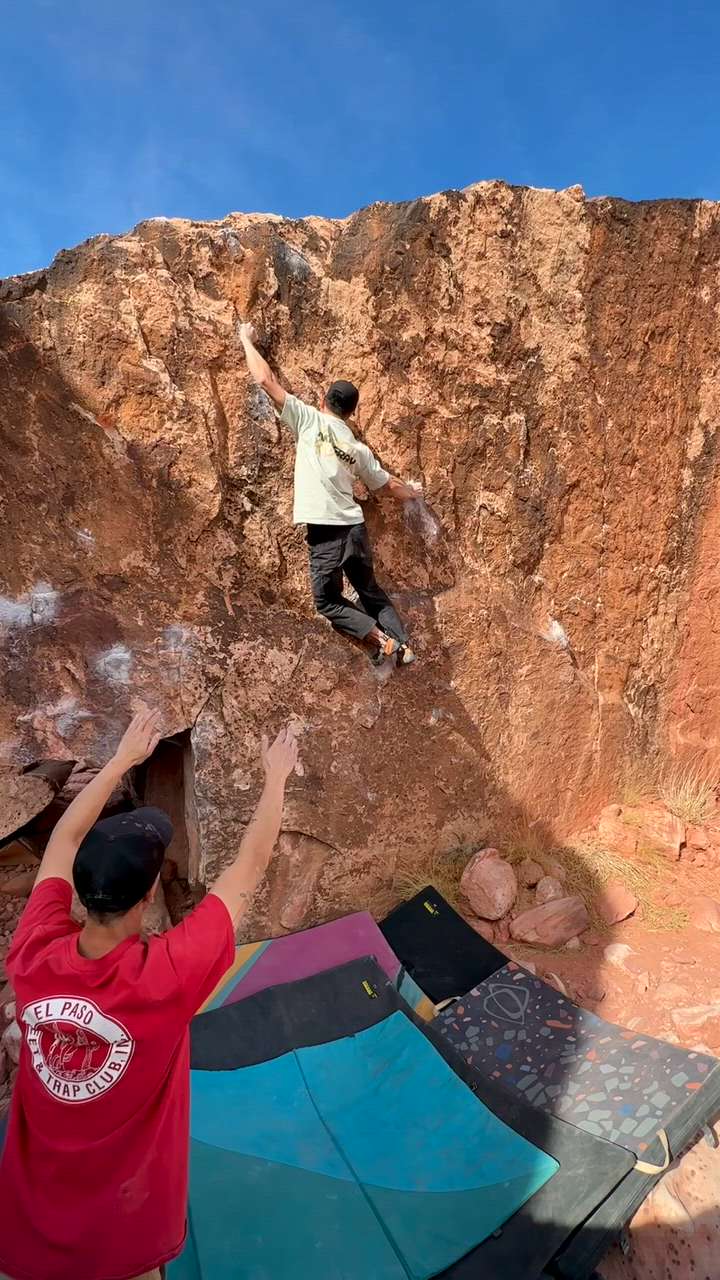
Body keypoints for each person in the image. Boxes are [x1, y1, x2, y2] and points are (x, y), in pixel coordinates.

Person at [0, 709, 298, 1280]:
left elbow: (63, 838)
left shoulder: (32, 951)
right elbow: (250, 867)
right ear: (146, 898)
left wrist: (121, 761)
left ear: (80, 894)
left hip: (29, 1225)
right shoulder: (166, 975)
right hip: (126, 1228)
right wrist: (276, 776)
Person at [238, 321, 421, 666]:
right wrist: (414, 493)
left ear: (323, 400)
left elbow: (265, 381)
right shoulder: (358, 449)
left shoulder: (309, 420)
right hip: (355, 527)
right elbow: (389, 485)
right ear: (351, 414)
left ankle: (381, 640)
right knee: (369, 590)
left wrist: (246, 340)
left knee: (326, 601)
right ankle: (404, 646)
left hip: (326, 531)